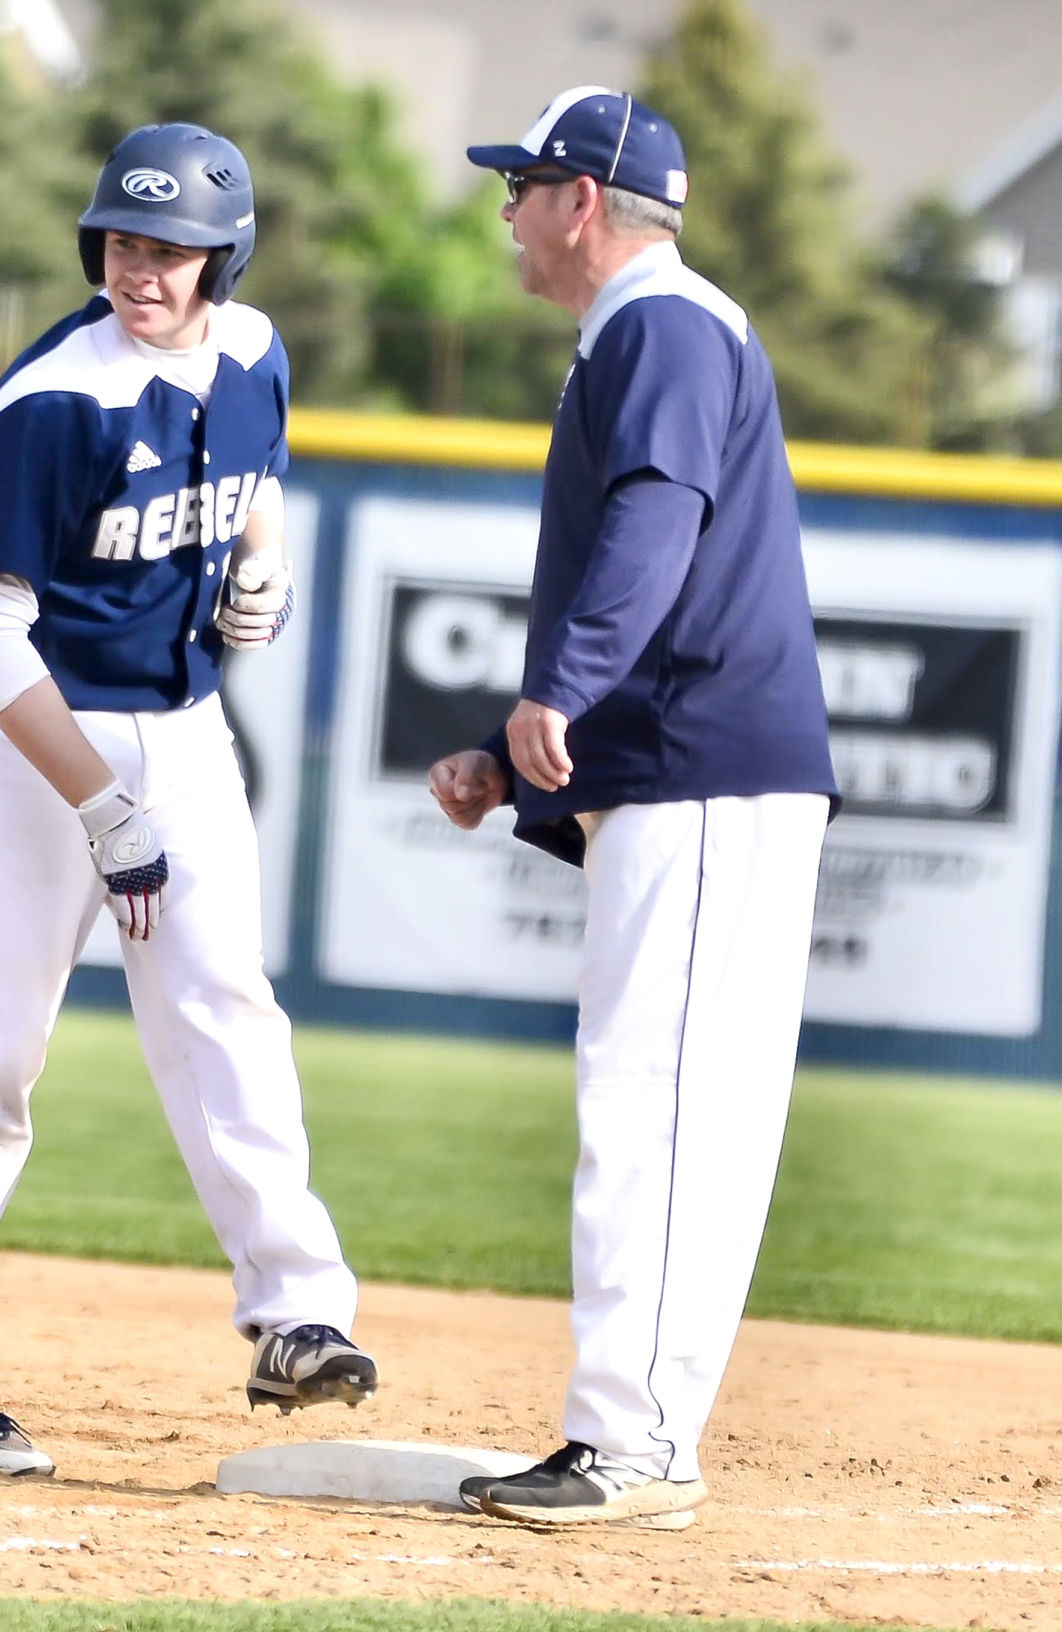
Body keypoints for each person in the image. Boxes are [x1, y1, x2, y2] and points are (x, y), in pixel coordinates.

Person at [0, 122, 377, 1478]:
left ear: (227, 260)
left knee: (228, 1011)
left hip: (184, 728)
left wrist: (265, 565)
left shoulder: (253, 348)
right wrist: (101, 806)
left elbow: (259, 476)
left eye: (173, 250)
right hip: (24, 740)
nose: (142, 270)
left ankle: (298, 1314)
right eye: (123, 241)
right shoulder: (52, 401)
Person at [429, 87, 837, 1528]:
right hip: (698, 766)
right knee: (677, 1107)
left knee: (652, 1103)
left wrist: (563, 684)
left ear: (581, 201)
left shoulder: (659, 320)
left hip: (699, 768)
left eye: (521, 187)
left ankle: (633, 1442)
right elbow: (659, 553)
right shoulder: (657, 325)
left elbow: (659, 519)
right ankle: (644, 1432)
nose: (507, 213)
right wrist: (513, 745)